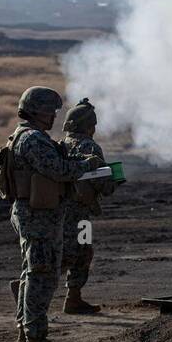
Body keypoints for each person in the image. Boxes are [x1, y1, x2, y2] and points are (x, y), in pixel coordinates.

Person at [1, 87, 100, 342]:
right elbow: (59, 171)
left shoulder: (26, 136)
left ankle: (27, 335)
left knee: (33, 273)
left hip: (34, 214)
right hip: (38, 217)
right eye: (50, 111)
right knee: (41, 276)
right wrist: (87, 165)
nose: (54, 116)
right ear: (36, 110)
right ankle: (35, 337)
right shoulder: (33, 139)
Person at [59, 98, 115, 315]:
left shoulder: (61, 145)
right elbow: (103, 183)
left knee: (72, 252)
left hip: (60, 210)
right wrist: (112, 181)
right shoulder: (90, 147)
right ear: (90, 126)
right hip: (80, 214)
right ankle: (69, 296)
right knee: (79, 253)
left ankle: (73, 299)